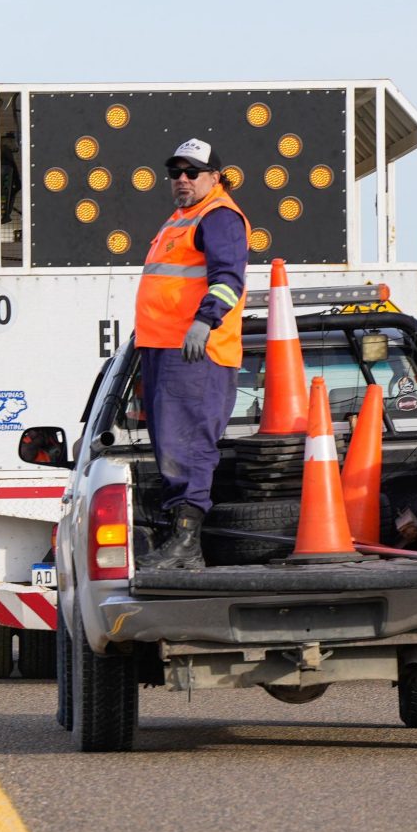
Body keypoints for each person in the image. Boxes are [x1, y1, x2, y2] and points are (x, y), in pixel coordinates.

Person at [132, 137, 251, 570]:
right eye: (175, 173)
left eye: (192, 172)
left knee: (188, 446)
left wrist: (206, 319)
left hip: (196, 353)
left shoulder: (219, 216)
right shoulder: (181, 220)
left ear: (214, 178)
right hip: (168, 350)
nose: (182, 180)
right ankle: (182, 544)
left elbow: (228, 278)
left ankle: (185, 544)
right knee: (172, 444)